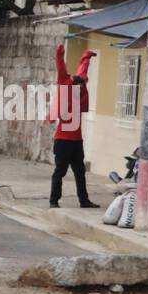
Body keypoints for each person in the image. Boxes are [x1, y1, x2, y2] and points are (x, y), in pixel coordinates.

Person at [48, 44, 100, 209]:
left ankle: (84, 201)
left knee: (80, 172)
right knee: (60, 172)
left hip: (77, 140)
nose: (80, 87)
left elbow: (83, 70)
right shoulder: (64, 84)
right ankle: (54, 201)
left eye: (81, 85)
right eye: (78, 84)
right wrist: (59, 54)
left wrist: (86, 57)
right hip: (63, 140)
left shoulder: (79, 92)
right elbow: (61, 68)